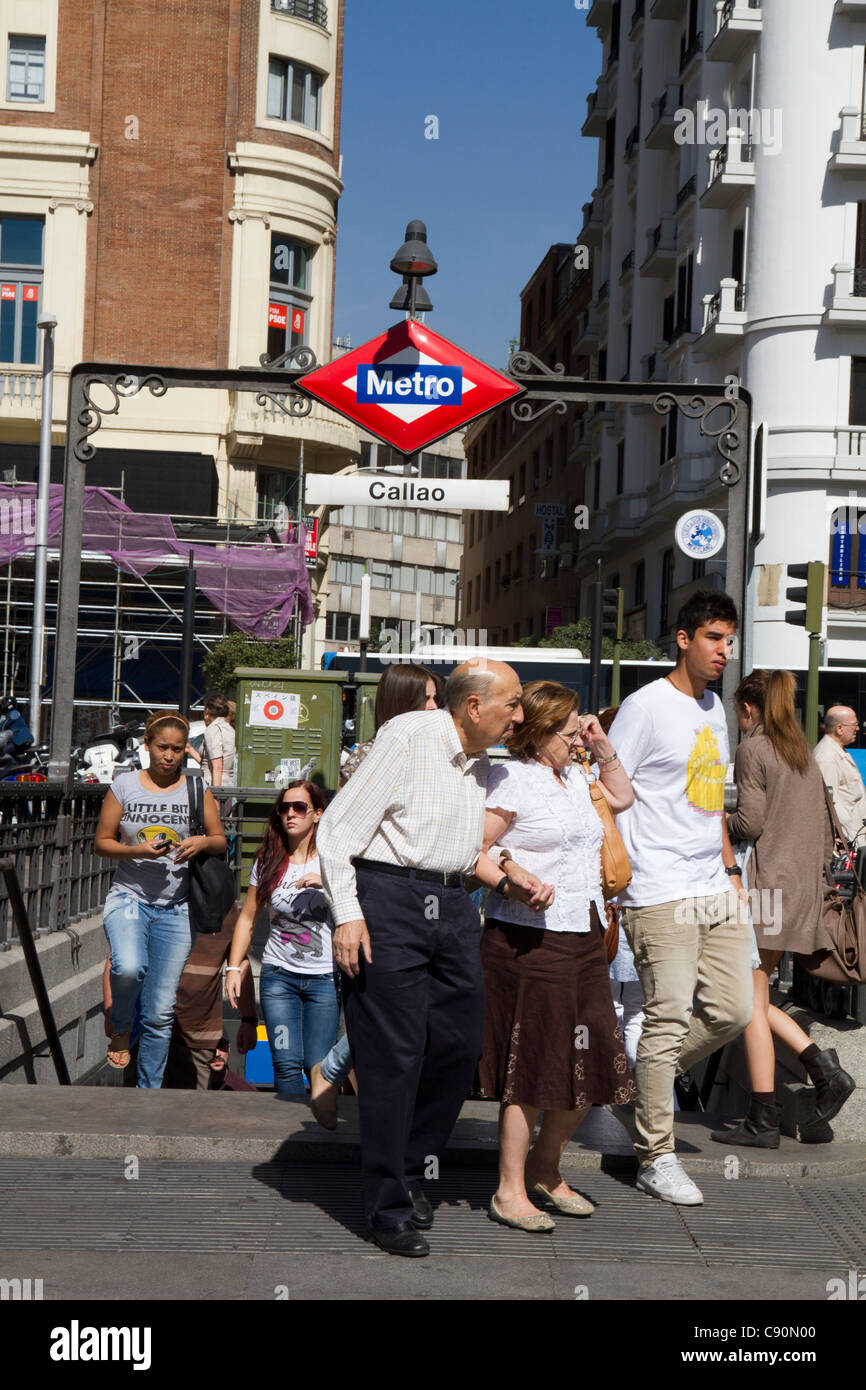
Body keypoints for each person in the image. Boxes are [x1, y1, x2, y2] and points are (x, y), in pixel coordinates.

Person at [316, 659, 552, 1257]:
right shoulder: (409, 736)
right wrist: (347, 914)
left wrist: (507, 876)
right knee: (394, 1055)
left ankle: (411, 1165)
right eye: (512, 703)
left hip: (450, 904)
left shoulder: (480, 762)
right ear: (473, 706)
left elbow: (461, 847)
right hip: (390, 898)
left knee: (458, 1045)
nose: (519, 715)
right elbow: (338, 830)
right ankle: (388, 1206)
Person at [608, 591, 753, 1206]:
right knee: (665, 1017)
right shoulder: (644, 706)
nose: (724, 650)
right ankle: (655, 1154)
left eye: (730, 640)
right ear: (684, 638)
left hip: (711, 884)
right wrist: (615, 881)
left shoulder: (716, 706)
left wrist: (729, 868)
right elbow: (605, 792)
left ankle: (633, 1088)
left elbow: (711, 794)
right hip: (657, 885)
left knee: (733, 1011)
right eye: (715, 637)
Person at [477, 681, 637, 1232]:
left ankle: (547, 1168)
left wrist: (601, 743)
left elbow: (624, 798)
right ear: (540, 732)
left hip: (586, 933)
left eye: (579, 729)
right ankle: (509, 1188)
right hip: (529, 941)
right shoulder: (508, 777)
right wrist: (511, 880)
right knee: (533, 1065)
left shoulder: (576, 776)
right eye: (569, 730)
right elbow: (473, 850)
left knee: (593, 1058)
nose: (578, 737)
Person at [711, 670, 856, 1146]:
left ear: (748, 709)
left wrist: (711, 816)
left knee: (750, 1002)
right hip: (802, 891)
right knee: (754, 998)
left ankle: (770, 1115)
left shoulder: (753, 748)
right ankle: (817, 1074)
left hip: (767, 889)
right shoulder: (802, 753)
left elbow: (749, 821)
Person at [310, 661, 443, 1128]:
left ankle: (336, 1075)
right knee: (390, 1011)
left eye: (436, 698)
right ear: (401, 702)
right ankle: (335, 1075)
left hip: (431, 899)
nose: (433, 708)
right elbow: (347, 832)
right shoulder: (371, 754)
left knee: (418, 1011)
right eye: (424, 698)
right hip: (376, 895)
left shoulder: (440, 750)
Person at [94, 710, 227, 1087]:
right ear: (147, 746)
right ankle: (121, 1025)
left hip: (176, 907)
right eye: (162, 747)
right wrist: (138, 851)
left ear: (187, 751)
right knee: (128, 967)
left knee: (159, 1012)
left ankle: (148, 1094)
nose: (169, 756)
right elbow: (101, 843)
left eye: (177, 749)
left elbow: (218, 840)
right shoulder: (124, 785)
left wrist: (201, 840)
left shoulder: (197, 789)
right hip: (130, 897)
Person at [226, 781, 337, 1097]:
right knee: (286, 1062)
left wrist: (328, 884)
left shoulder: (334, 859)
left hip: (324, 977)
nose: (290, 814)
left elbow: (365, 903)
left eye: (299, 807)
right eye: (284, 808)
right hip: (279, 977)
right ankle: (291, 1134)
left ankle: (316, 1132)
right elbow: (248, 916)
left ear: (317, 814)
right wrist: (234, 969)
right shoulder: (268, 860)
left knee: (319, 1064)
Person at [102, 906, 259, 1089]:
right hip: (147, 1027)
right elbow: (118, 956)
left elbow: (241, 963)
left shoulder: (224, 907)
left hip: (198, 1034)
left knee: (190, 1112)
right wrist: (112, 1009)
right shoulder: (158, 899)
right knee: (140, 1107)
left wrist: (248, 1019)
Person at [814, 706, 866, 848]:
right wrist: (848, 841)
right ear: (839, 728)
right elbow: (830, 805)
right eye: (854, 725)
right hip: (851, 841)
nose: (857, 729)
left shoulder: (839, 751)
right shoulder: (827, 758)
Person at [186, 691, 236, 788]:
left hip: (213, 785)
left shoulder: (213, 729)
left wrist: (215, 798)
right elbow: (209, 763)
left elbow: (217, 767)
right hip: (228, 785)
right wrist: (190, 749)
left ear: (207, 711)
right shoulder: (229, 729)